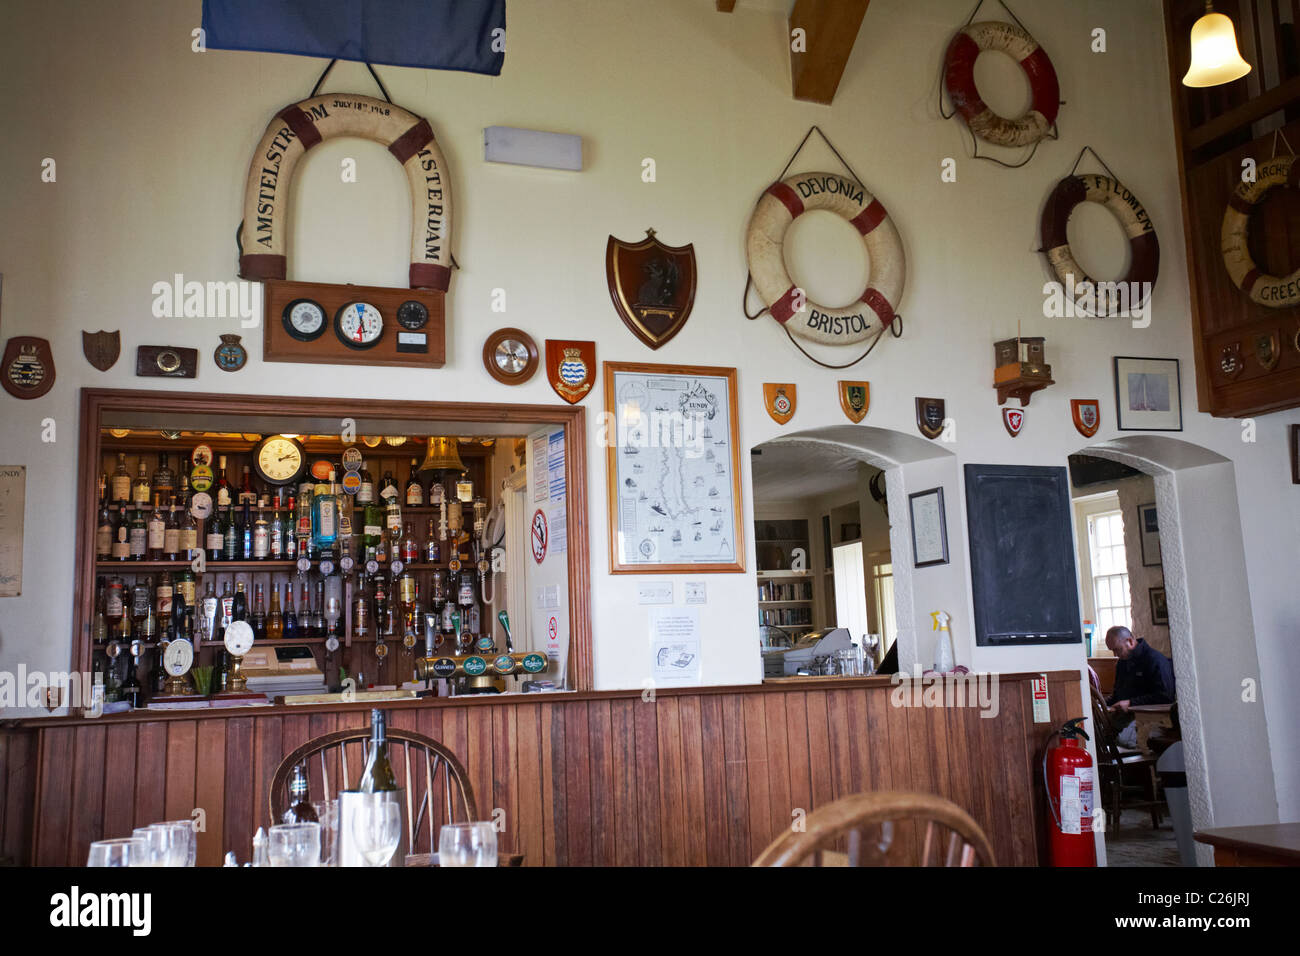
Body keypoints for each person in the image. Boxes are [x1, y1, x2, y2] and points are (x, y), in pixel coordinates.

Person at [1105, 626, 1175, 749]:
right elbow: (1117, 695)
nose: (1115, 655)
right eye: (1112, 651)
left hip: (1148, 718)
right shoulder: (1122, 662)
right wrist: (1102, 703)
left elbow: (1165, 696)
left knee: (1123, 739)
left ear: (1130, 642)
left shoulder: (1154, 659)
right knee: (1094, 729)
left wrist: (1131, 703)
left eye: (1117, 649)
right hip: (1125, 716)